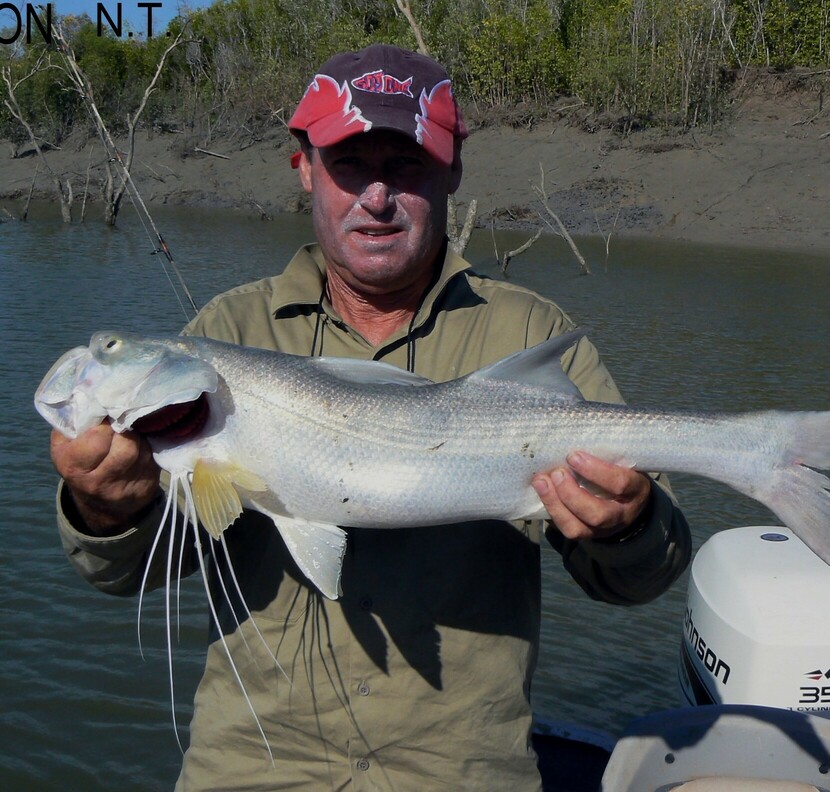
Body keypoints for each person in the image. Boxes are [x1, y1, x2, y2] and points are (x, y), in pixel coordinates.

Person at [48, 44, 691, 791]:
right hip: (255, 766)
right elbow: (130, 571)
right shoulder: (229, 329)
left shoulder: (529, 335)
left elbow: (645, 577)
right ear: (305, 169)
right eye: (351, 164)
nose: (377, 197)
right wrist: (103, 511)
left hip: (462, 770)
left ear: (453, 170)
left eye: (407, 164)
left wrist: (628, 525)